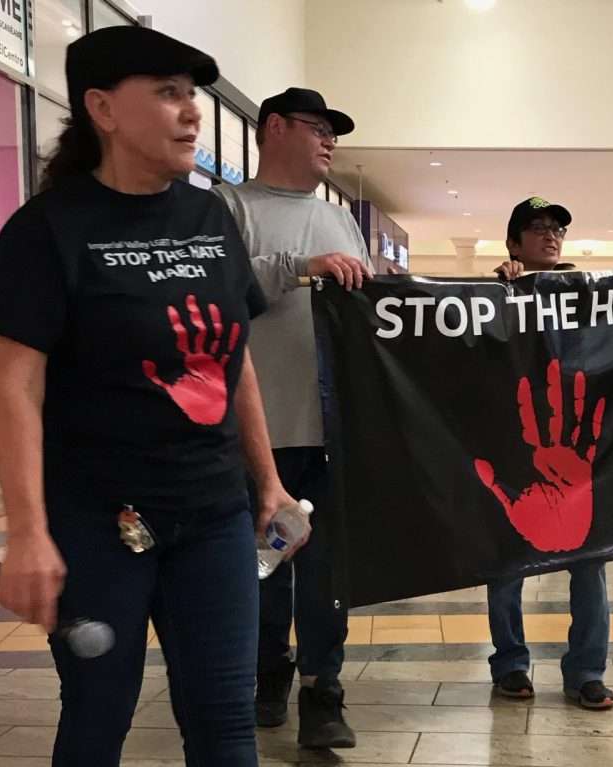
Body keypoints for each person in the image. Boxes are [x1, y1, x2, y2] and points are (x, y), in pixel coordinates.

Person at [0, 27, 299, 767]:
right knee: (98, 713)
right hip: (99, 519)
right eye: (167, 92)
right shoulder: (47, 231)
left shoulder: (210, 217)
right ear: (103, 109)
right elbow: (16, 389)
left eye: (193, 94)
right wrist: (28, 530)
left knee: (226, 724)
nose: (191, 112)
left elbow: (233, 360)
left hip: (213, 514)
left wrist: (269, 482)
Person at [214, 87, 371, 749]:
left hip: (330, 432)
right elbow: (216, 293)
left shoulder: (341, 218)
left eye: (335, 131)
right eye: (318, 128)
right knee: (263, 569)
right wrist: (299, 269)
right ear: (274, 127)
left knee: (329, 575)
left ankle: (322, 689)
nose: (330, 140)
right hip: (256, 436)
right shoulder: (228, 207)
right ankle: (268, 670)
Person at [489, 196, 613, 710]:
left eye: (556, 228)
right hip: (516, 444)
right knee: (505, 562)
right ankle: (510, 663)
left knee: (590, 563)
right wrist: (494, 289)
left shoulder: (591, 294)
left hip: (577, 452)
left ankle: (586, 672)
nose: (550, 235)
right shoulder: (495, 294)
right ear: (514, 243)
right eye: (536, 228)